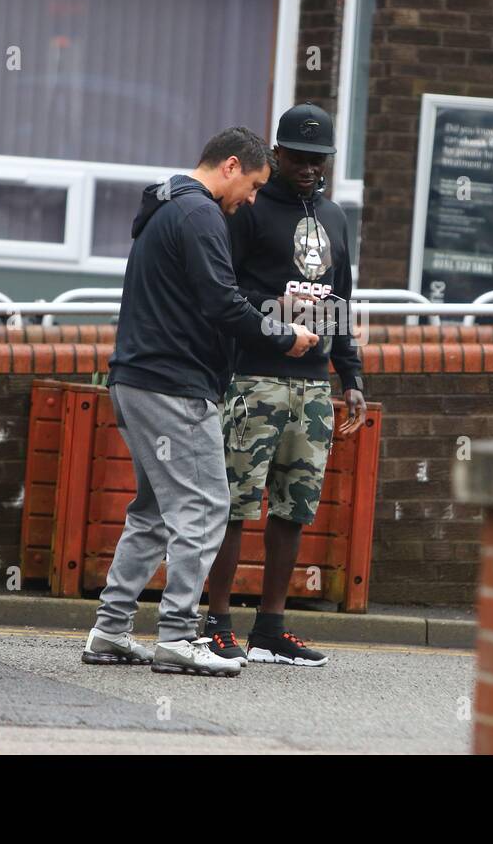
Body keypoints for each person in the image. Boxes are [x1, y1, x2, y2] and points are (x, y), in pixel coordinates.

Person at [83, 126, 318, 677]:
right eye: (256, 186)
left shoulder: (168, 205)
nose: (253, 199)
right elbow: (221, 302)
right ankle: (178, 636)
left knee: (151, 513)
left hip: (135, 378)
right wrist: (285, 334)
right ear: (231, 166)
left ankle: (110, 630)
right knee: (208, 506)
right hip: (173, 385)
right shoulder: (201, 214)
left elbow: (207, 297)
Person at [204, 103, 366, 668]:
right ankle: (215, 622)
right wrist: (276, 323)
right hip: (252, 377)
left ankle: (269, 627)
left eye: (319, 160)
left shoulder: (336, 218)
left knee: (295, 508)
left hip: (312, 385)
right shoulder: (248, 209)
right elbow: (222, 290)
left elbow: (341, 299)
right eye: (299, 157)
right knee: (234, 505)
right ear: (277, 153)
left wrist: (352, 376)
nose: (310, 169)